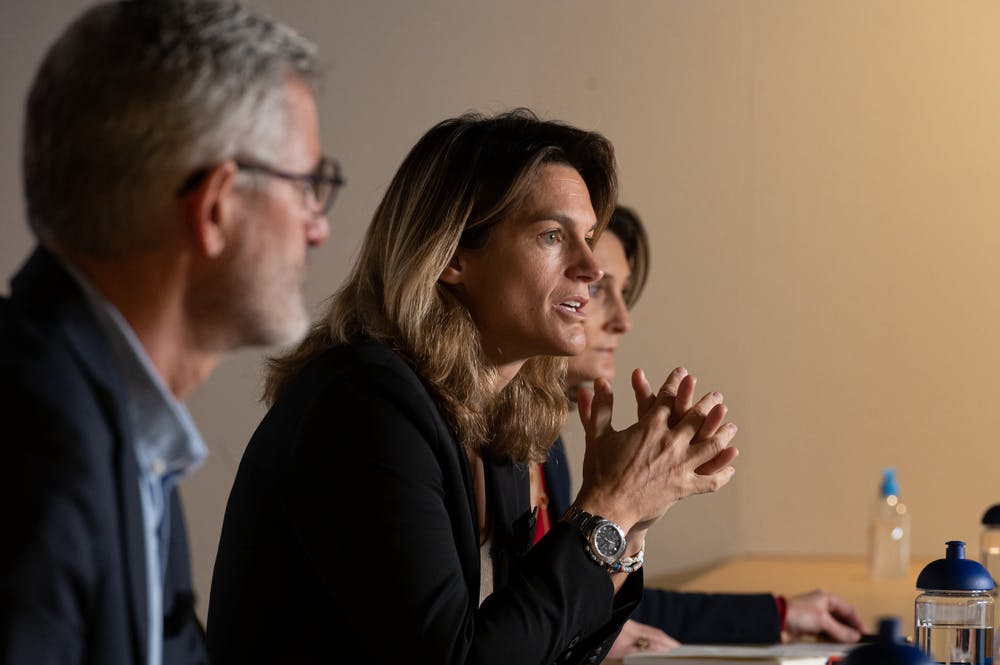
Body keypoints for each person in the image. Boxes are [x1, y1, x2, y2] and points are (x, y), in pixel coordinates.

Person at [207, 109, 739, 665]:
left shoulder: (502, 411)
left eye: (589, 238)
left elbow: (542, 649)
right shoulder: (363, 405)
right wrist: (608, 509)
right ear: (455, 255)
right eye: (553, 235)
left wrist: (627, 528)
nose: (590, 267)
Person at [0, 3, 335, 664]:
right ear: (216, 207)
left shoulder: (123, 424)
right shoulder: (35, 441)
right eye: (306, 188)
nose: (318, 226)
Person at [538, 205, 865, 659]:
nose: (623, 320)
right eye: (596, 289)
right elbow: (526, 621)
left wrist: (779, 614)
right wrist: (619, 502)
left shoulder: (543, 440)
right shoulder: (497, 443)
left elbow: (578, 600)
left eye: (623, 292)